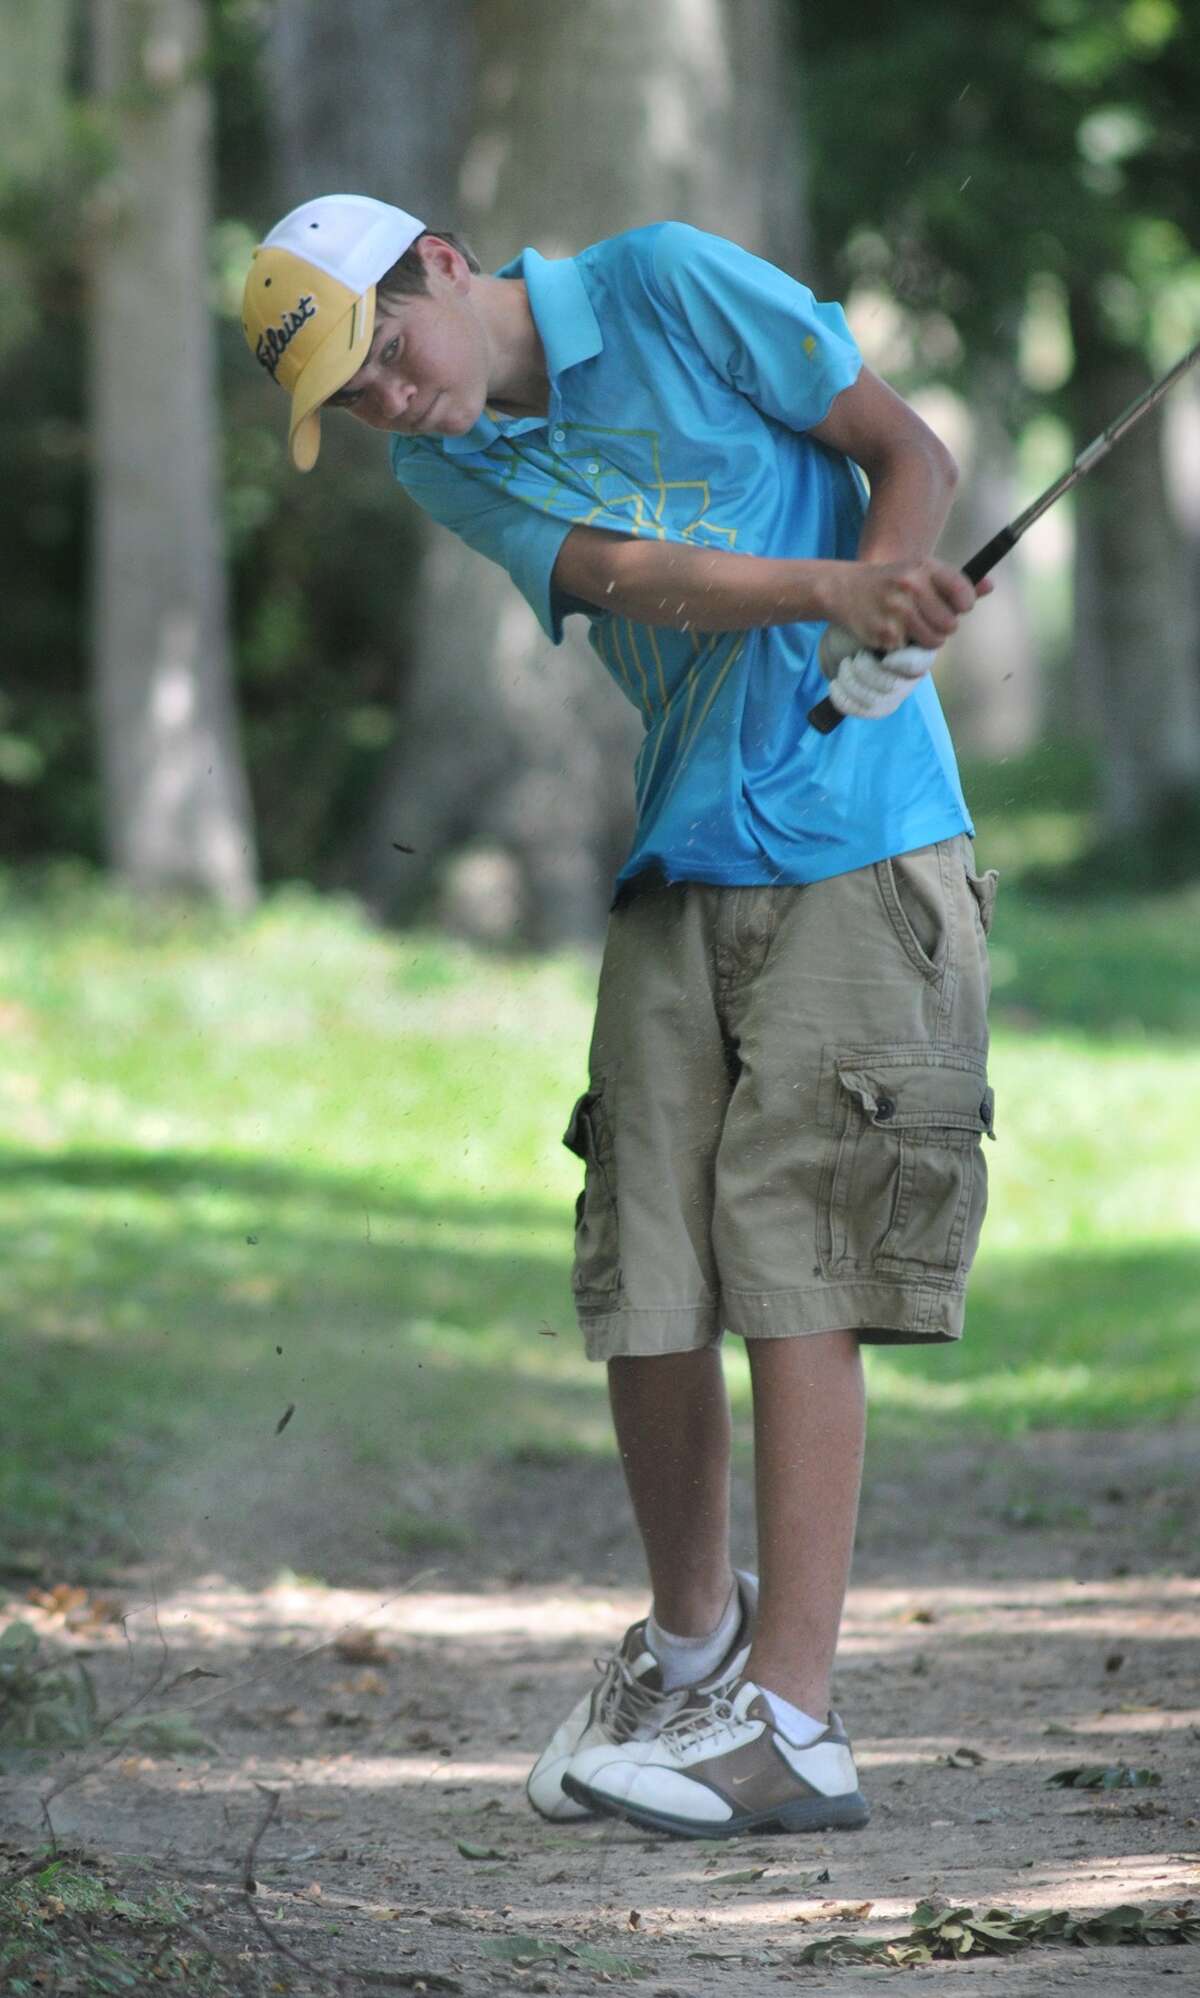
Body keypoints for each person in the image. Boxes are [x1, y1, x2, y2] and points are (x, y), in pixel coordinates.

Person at [242, 194, 998, 1840]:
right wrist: (827, 597)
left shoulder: (665, 284)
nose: (389, 401)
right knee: (642, 1265)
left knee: (795, 1252)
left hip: (860, 840)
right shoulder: (446, 460)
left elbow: (905, 449)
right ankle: (689, 1647)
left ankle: (791, 1720)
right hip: (684, 848)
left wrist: (880, 602)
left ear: (440, 262)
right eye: (351, 399)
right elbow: (626, 573)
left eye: (386, 356)